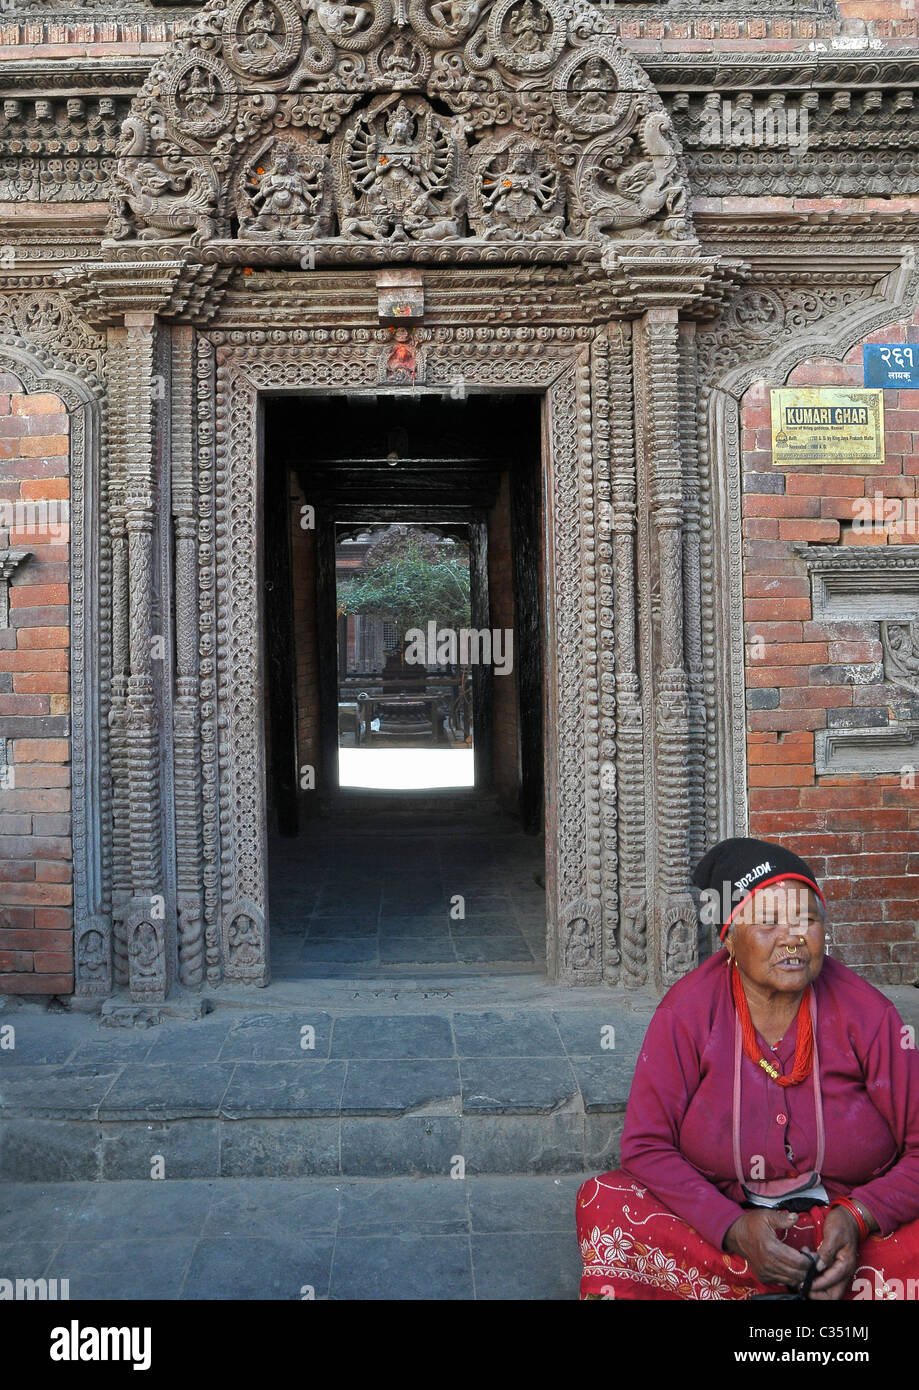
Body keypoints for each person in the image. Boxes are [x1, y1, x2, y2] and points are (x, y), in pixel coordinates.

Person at [577, 837, 919, 1300]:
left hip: (847, 1233)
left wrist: (859, 1217)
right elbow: (644, 1146)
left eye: (807, 920)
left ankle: (807, 1279)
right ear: (731, 939)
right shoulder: (689, 1012)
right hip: (725, 1234)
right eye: (768, 922)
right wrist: (734, 1229)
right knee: (605, 1203)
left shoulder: (868, 1014)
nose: (793, 938)